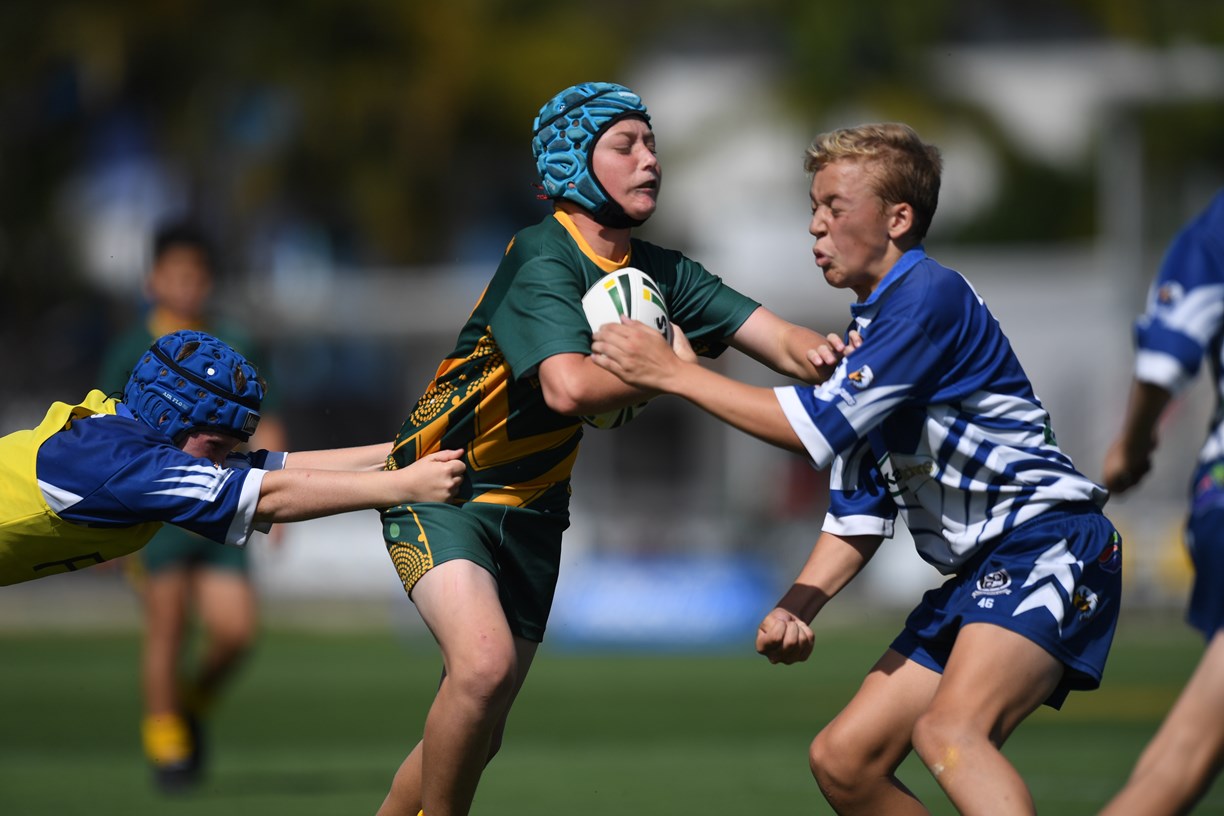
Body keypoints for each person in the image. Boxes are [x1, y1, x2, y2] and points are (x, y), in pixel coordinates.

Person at [592, 122, 1122, 815]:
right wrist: (798, 603)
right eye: (812, 207)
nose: (814, 226)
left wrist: (676, 376)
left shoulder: (927, 299)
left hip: (1048, 545)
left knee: (951, 732)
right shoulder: (873, 334)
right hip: (984, 571)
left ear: (898, 218)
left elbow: (815, 429)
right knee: (845, 762)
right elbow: (860, 512)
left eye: (834, 207)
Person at [374, 81, 849, 816]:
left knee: (479, 725)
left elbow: (783, 341)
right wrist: (674, 374)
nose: (650, 161)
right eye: (625, 145)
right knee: (483, 672)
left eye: (652, 144)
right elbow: (566, 389)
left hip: (535, 512)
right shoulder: (543, 257)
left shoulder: (659, 272)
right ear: (572, 160)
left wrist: (854, 357)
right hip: (443, 488)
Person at [0, 329, 466, 780]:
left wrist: (404, 453)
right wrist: (401, 486)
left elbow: (272, 468)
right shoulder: (119, 460)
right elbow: (265, 495)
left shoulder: (137, 439)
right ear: (168, 416)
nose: (225, 461)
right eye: (218, 447)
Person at [97, 219, 289, 791]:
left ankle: (189, 706)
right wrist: (102, 521)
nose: (186, 286)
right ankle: (168, 747)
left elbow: (266, 415)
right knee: (169, 623)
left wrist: (280, 498)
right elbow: (109, 423)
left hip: (221, 497)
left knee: (235, 631)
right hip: (154, 509)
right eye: (175, 274)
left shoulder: (234, 342)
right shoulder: (133, 347)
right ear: (153, 280)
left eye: (196, 275)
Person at [1098, 188, 1224, 816]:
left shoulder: (1214, 228)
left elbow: (1167, 353)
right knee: (1190, 751)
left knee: (1189, 747)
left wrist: (1131, 445)